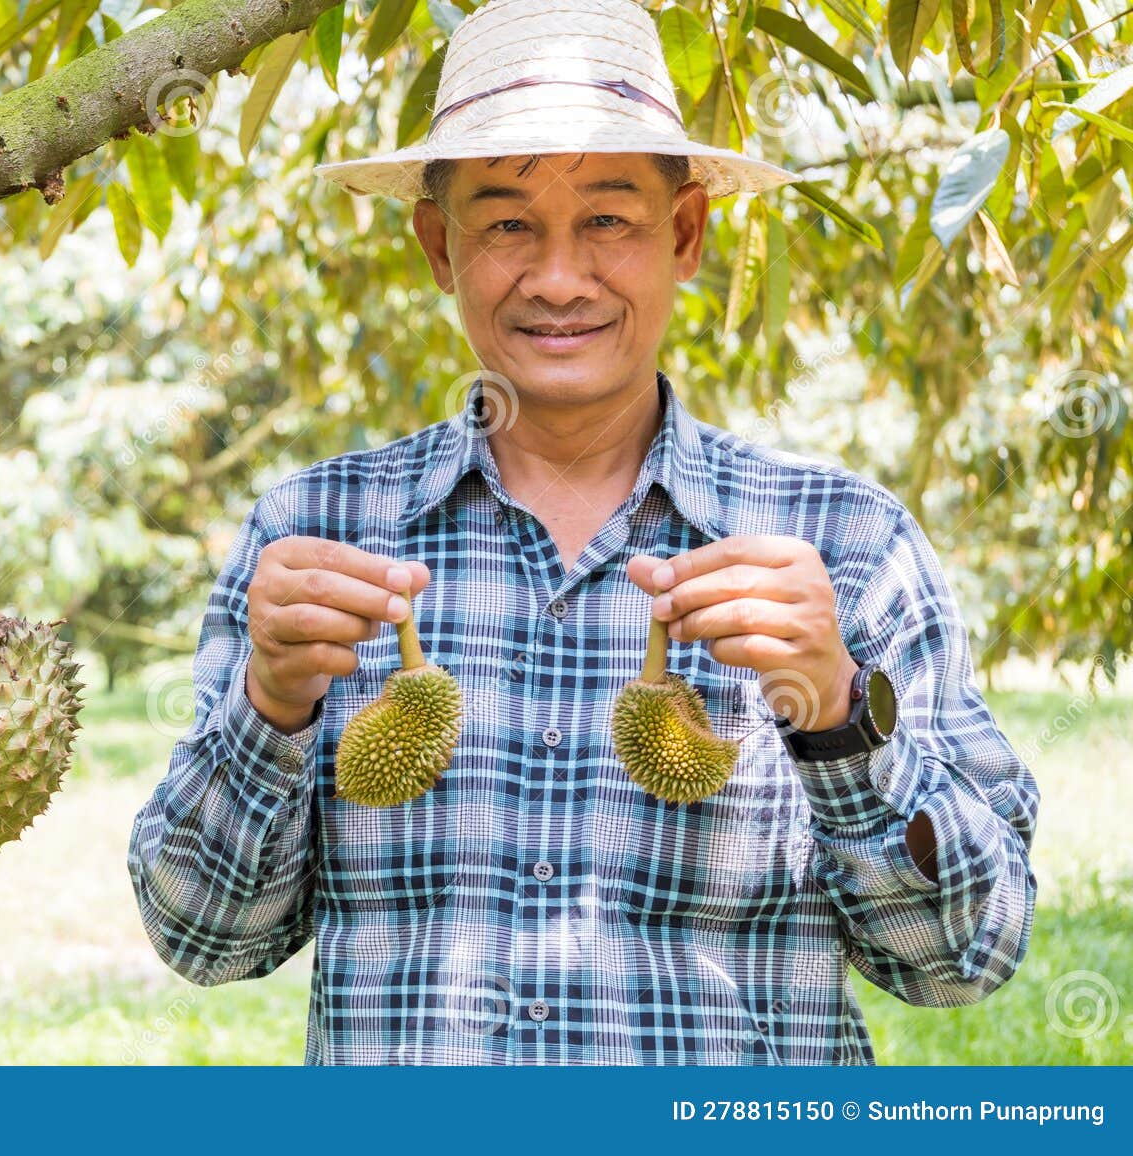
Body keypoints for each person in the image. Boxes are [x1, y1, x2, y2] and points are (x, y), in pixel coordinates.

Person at [127, 0, 1038, 1064]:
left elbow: (964, 955)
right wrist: (269, 706)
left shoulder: (843, 542)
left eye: (608, 219)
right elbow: (202, 936)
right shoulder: (313, 537)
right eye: (507, 222)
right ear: (438, 246)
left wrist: (838, 715)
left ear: (684, 235)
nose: (558, 278)